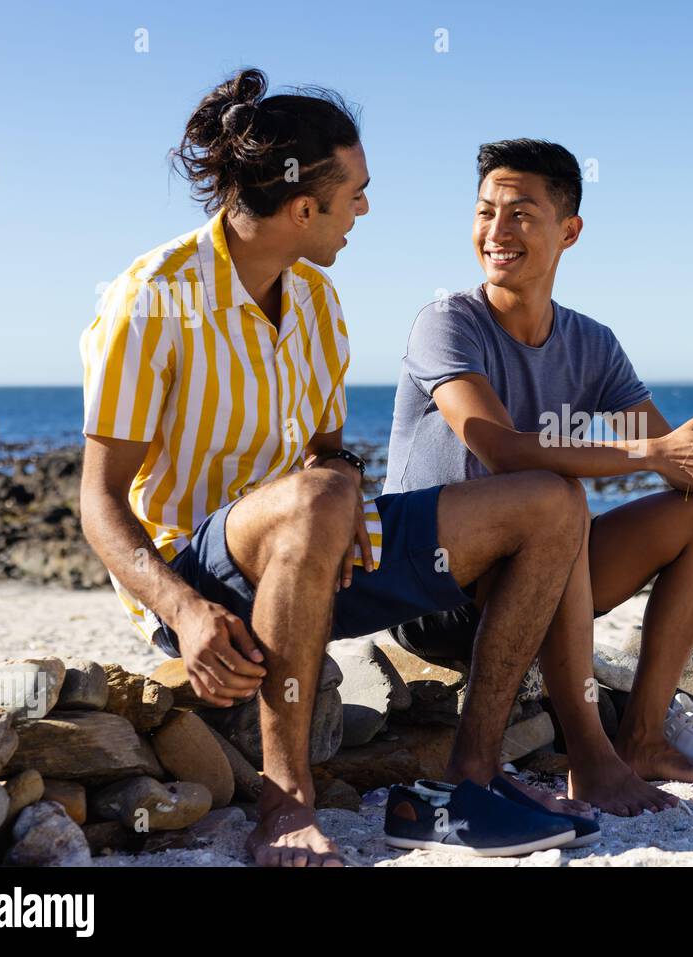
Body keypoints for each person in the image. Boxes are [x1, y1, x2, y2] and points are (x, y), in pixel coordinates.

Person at [79, 74, 596, 865]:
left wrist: (346, 478)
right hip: (201, 572)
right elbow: (99, 500)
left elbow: (324, 452)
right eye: (354, 193)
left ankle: (469, 778)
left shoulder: (318, 302)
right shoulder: (152, 298)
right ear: (303, 207)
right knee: (322, 496)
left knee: (551, 501)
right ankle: (286, 806)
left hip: (318, 552)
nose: (363, 210)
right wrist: (183, 611)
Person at [383, 139, 693, 817]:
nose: (496, 232)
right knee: (555, 495)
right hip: (434, 588)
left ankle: (644, 740)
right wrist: (652, 454)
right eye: (485, 213)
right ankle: (590, 758)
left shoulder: (591, 343)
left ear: (569, 230)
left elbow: (666, 450)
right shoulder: (448, 323)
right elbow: (502, 448)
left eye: (519, 214)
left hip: (539, 582)